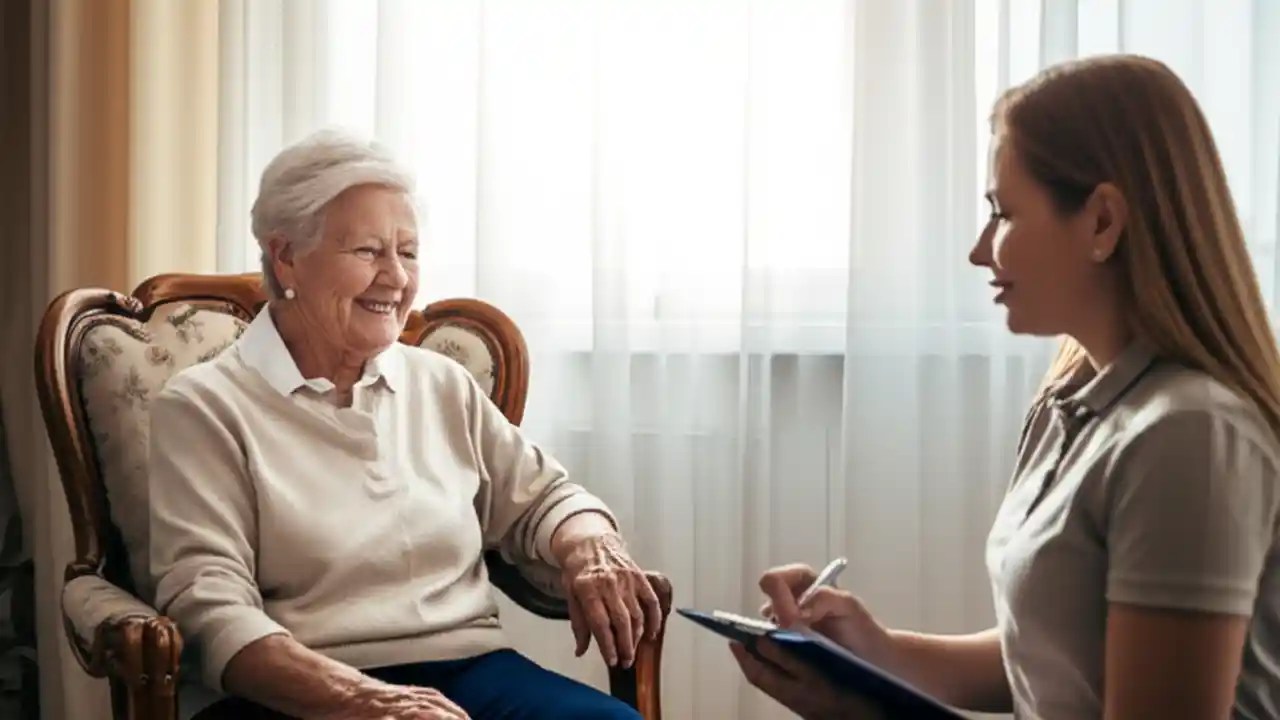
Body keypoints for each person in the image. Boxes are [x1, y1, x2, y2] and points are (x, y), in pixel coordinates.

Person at [732, 54, 1280, 720]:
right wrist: (872, 652)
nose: (980, 249)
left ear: (1103, 222)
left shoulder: (1190, 435)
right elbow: (1054, 656)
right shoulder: (1072, 403)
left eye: (1003, 214)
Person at [147, 130, 661, 720]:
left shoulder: (439, 383)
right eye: (368, 251)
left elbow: (546, 496)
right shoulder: (205, 407)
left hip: (471, 668)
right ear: (286, 255)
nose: (396, 277)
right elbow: (209, 609)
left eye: (408, 252)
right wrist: (362, 701)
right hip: (296, 691)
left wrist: (592, 547)